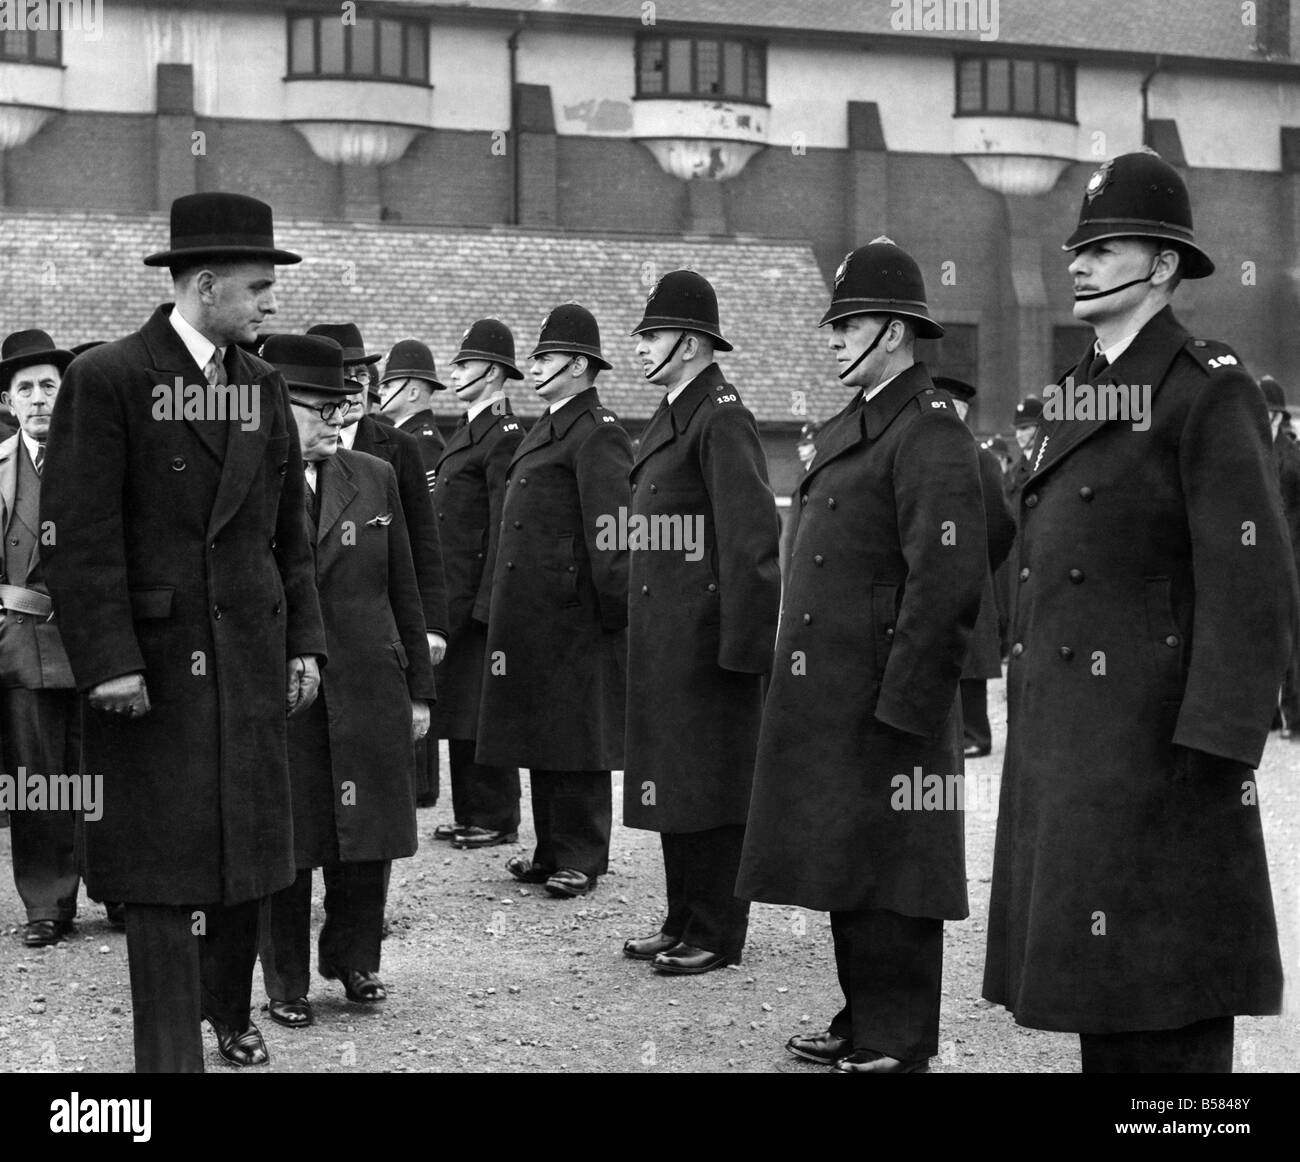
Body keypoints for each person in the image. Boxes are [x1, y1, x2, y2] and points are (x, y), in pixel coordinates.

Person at [983, 150, 1296, 1073]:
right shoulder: (1083, 385)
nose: (1076, 263)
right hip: (1079, 740)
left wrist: (1213, 754)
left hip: (1160, 750)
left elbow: (1254, 586)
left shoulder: (1208, 388)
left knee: (1171, 998)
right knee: (1105, 995)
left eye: (1102, 247)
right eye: (1076, 247)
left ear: (1161, 264)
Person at [40, 192, 327, 1072]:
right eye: (257, 289)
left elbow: (289, 535)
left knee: (244, 861)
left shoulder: (264, 385)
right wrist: (111, 665)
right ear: (205, 286)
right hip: (154, 678)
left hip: (247, 664)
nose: (270, 305)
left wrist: (305, 642)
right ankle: (168, 1059)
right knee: (164, 879)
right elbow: (79, 540)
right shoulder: (110, 377)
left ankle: (230, 1013)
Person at [737, 238, 986, 1073]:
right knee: (851, 862)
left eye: (850, 323)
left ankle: (900, 1039)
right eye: (836, 323)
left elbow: (949, 574)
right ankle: (863, 1016)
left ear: (895, 330)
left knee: (899, 876)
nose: (836, 337)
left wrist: (906, 703)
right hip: (837, 694)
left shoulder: (929, 430)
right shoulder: (864, 421)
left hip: (889, 697)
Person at [258, 335, 434, 1028]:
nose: (336, 421)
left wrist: (419, 687)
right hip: (291, 687)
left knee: (368, 835)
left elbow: (406, 587)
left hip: (370, 679)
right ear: (279, 406)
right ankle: (286, 983)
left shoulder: (375, 475)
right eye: (320, 410)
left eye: (341, 408)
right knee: (292, 840)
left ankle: (356, 961)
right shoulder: (251, 482)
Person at [621, 271, 780, 974]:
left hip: (708, 643)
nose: (643, 349)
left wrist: (742, 652)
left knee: (712, 789)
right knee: (676, 783)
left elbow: (750, 545)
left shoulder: (722, 416)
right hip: (667, 638)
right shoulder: (676, 411)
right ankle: (683, 915)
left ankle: (716, 930)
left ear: (689, 342)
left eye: (652, 336)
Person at [477, 305, 631, 899]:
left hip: (575, 615)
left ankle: (583, 857)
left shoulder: (599, 431)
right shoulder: (549, 425)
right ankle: (549, 850)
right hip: (535, 614)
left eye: (543, 358)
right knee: (543, 733)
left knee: (578, 739)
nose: (534, 367)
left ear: (577, 363)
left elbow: (612, 533)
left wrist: (611, 616)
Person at [0, 329, 109, 945]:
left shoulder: (101, 458)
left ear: (66, 394)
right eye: (25, 389)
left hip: (100, 641)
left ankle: (117, 887)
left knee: (107, 769)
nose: (39, 399)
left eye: (49, 385)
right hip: (24, 642)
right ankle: (47, 902)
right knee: (36, 775)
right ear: (9, 401)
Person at [430, 320, 525, 849]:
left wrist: (490, 603)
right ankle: (473, 812)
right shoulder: (470, 429)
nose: (455, 373)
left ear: (492, 372)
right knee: (462, 709)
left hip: (479, 601)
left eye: (464, 365)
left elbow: (501, 525)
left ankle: (496, 816)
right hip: (457, 597)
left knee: (483, 711)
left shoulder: (503, 435)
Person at [377, 338, 449, 808]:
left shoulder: (421, 441)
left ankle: (422, 786)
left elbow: (422, 519)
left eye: (389, 382)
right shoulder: (407, 436)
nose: (382, 391)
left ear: (415, 389)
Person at [934, 376, 1016, 758]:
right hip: (935, 572)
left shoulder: (979, 458)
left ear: (961, 412)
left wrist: (980, 562)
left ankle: (976, 735)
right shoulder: (927, 454)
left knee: (970, 662)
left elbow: (1001, 522)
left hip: (969, 571)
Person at [1260, 375, 1300, 737]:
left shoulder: (1293, 455)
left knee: (1291, 640)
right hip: (1262, 558)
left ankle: (1294, 716)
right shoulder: (1252, 452)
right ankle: (1267, 715)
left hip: (1293, 559)